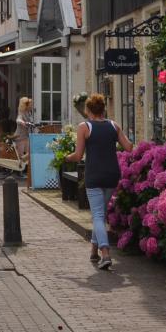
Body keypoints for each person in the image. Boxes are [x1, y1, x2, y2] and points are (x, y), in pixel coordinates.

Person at [64, 93, 133, 270]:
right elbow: (129, 147)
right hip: (112, 175)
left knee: (97, 216)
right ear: (103, 109)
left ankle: (105, 254)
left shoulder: (84, 127)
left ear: (88, 110)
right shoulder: (114, 125)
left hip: (94, 176)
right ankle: (94, 251)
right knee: (100, 213)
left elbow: (78, 155)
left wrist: (67, 157)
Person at [14, 97, 34, 162]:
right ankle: (20, 169)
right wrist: (23, 122)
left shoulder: (29, 113)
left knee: (29, 153)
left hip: (26, 136)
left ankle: (26, 168)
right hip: (20, 136)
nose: (31, 106)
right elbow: (18, 119)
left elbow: (31, 121)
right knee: (21, 155)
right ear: (26, 105)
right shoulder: (21, 113)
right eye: (30, 104)